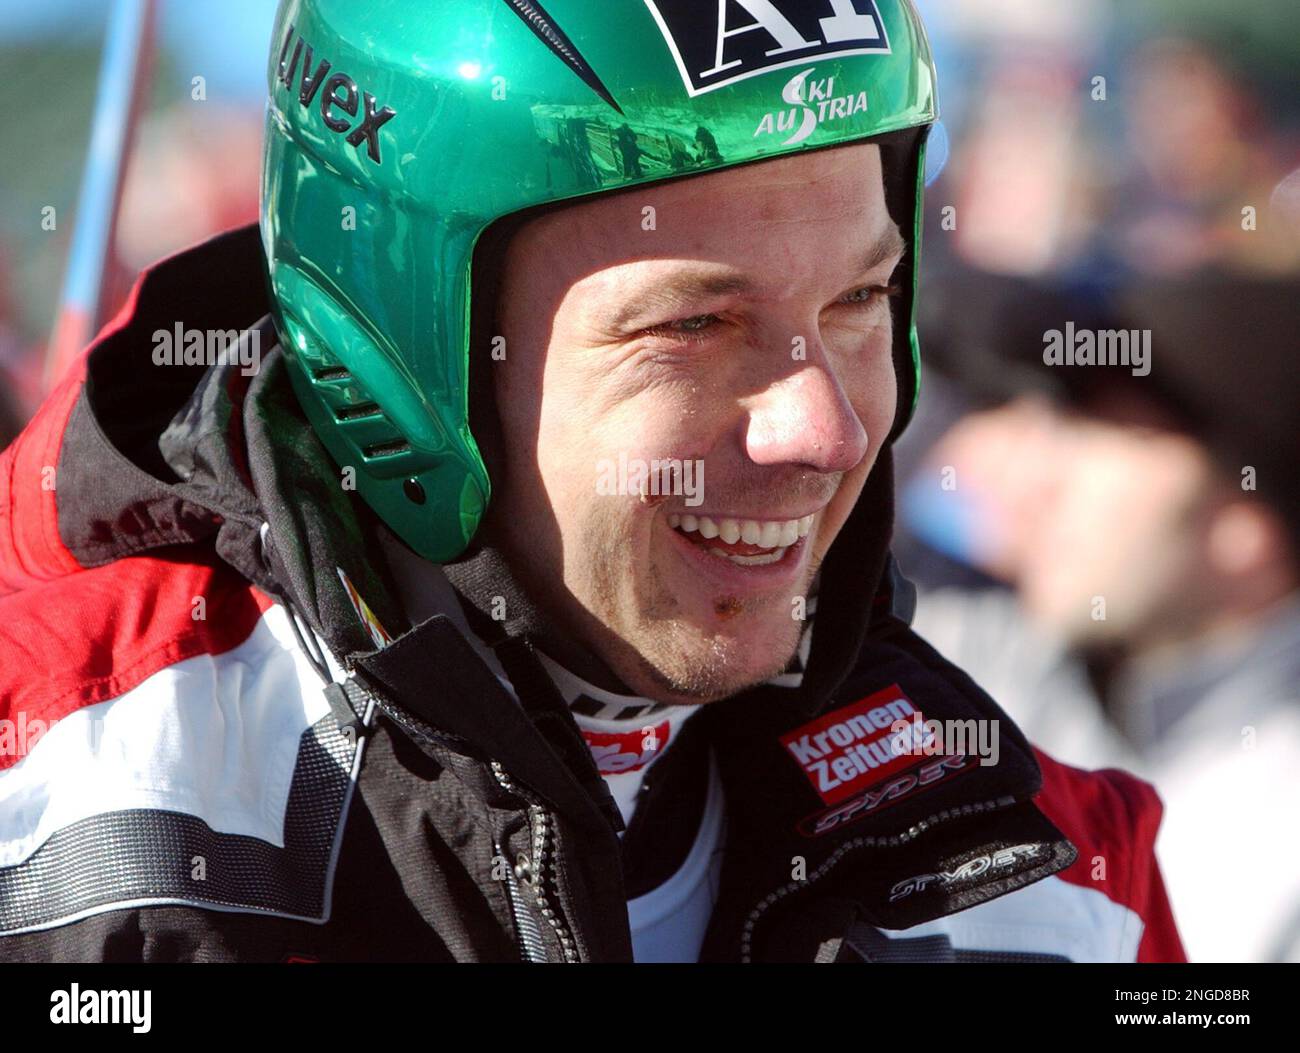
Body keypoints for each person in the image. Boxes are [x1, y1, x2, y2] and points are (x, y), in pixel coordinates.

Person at [0, 0, 1184, 963]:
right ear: (400, 360)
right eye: (692, 323)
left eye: (859, 300)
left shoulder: (1061, 890)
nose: (822, 429)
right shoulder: (58, 806)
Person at [908, 271, 1300, 961]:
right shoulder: (1025, 669)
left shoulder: (1273, 839)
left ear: (1246, 534)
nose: (1041, 476)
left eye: (1109, 431)